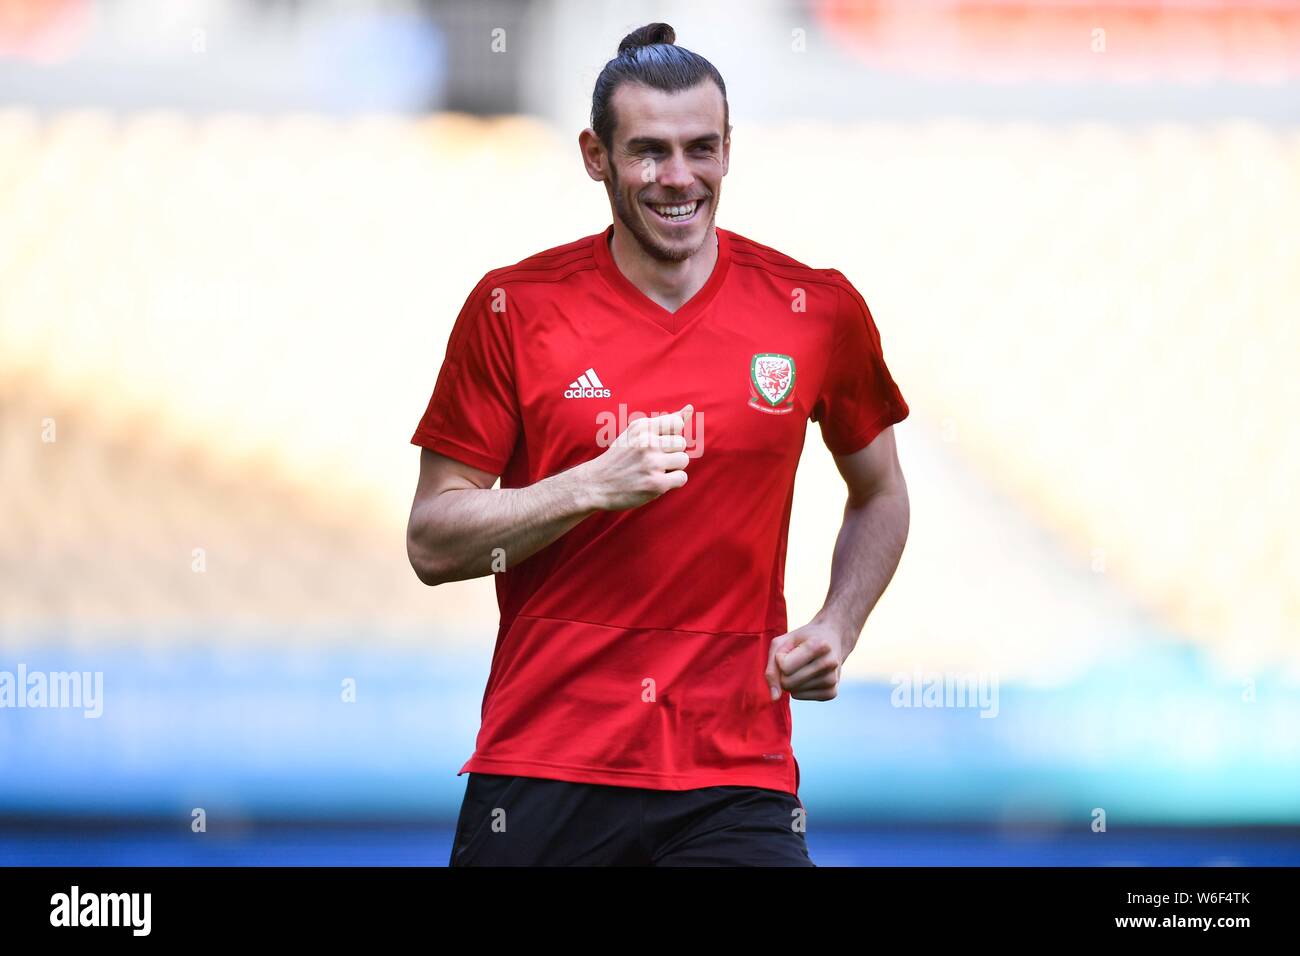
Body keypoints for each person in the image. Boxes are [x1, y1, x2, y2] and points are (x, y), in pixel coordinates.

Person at [407, 22, 910, 866]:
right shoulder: (513, 308)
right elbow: (431, 541)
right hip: (545, 763)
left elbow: (882, 491)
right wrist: (589, 485)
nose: (678, 177)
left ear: (727, 150)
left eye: (700, 148)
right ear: (594, 156)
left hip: (736, 774)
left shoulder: (814, 309)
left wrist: (840, 623)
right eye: (647, 151)